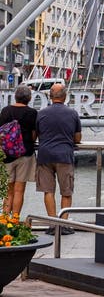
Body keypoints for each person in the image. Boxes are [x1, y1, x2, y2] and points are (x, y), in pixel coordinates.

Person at [35, 82, 81, 234]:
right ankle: (63, 224)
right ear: (65, 96)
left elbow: (36, 134)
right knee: (66, 191)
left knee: (48, 191)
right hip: (64, 155)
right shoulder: (72, 113)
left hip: (45, 155)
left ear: (50, 96)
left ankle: (53, 224)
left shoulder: (41, 113)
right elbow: (77, 138)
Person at [0, 83, 38, 216]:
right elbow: (34, 135)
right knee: (19, 191)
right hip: (25, 154)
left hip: (7, 155)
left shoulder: (5, 111)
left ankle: (5, 221)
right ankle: (15, 220)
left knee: (8, 191)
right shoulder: (32, 113)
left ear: (15, 97)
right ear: (29, 98)